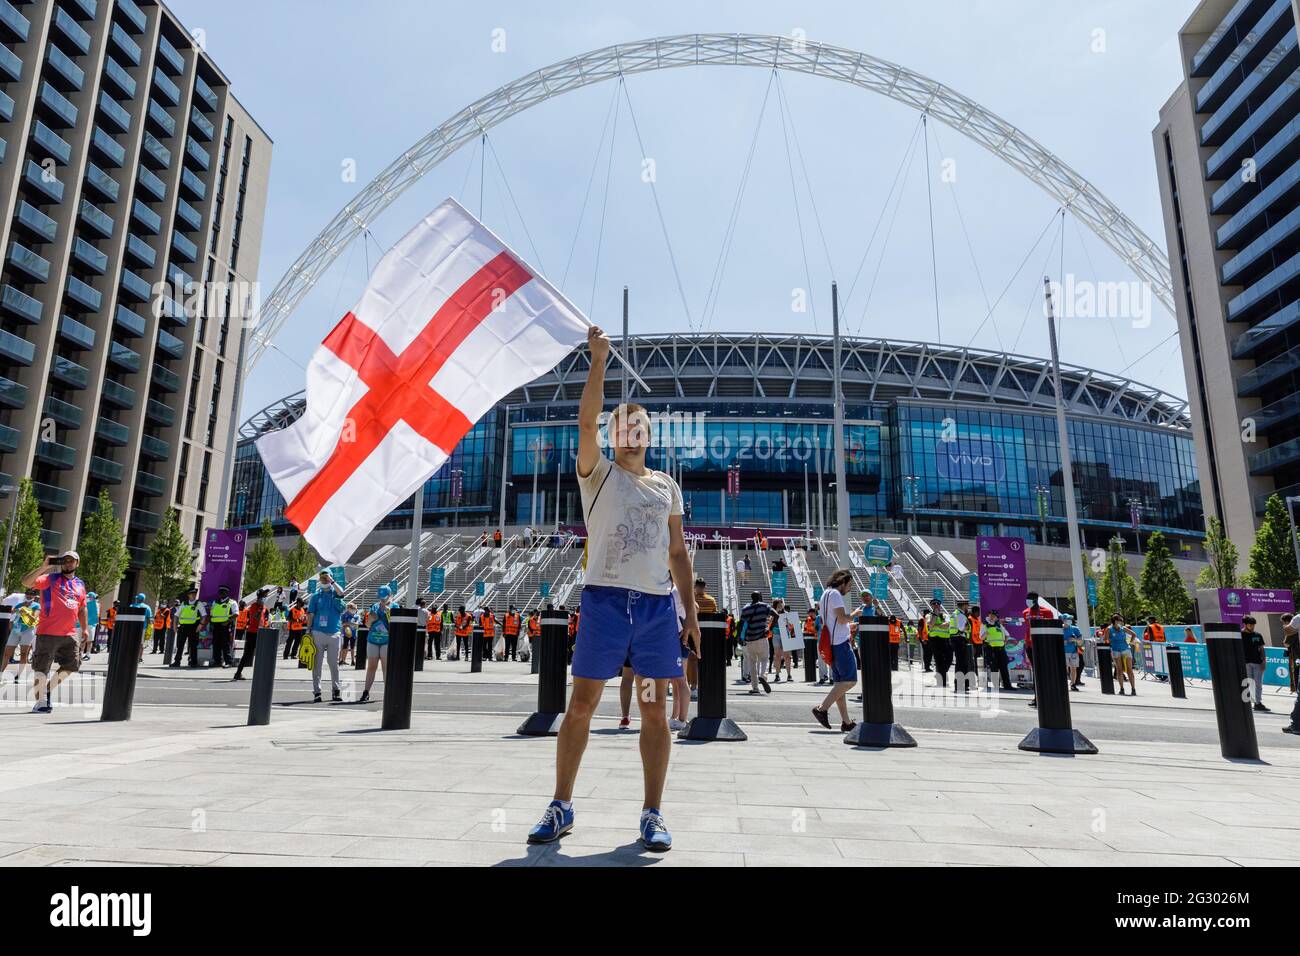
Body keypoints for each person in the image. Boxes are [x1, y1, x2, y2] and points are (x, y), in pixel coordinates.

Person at [527, 326, 698, 853]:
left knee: (653, 708)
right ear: (613, 433)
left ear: (648, 436)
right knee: (581, 704)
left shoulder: (665, 484)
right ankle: (561, 804)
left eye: (640, 426)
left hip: (653, 610)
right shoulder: (595, 473)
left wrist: (689, 611)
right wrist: (598, 359)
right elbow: (585, 419)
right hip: (605, 603)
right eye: (623, 425)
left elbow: (676, 552)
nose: (632, 432)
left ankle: (652, 813)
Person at [22, 550, 88, 713]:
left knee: (72, 665)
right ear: (60, 562)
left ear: (77, 564)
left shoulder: (80, 584)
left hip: (70, 633)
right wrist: (44, 567)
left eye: (72, 560)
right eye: (65, 560)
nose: (68, 563)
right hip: (47, 632)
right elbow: (26, 582)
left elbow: (82, 608)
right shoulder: (49, 579)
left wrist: (85, 628)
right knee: (42, 667)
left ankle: (47, 690)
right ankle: (41, 702)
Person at [811, 569, 860, 733]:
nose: (850, 589)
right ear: (843, 582)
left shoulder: (825, 594)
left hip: (831, 643)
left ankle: (846, 722)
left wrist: (848, 625)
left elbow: (833, 620)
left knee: (840, 684)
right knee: (850, 681)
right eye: (849, 585)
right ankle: (822, 708)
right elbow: (842, 618)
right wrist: (855, 614)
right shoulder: (836, 595)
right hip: (840, 643)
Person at [307, 570, 346, 702]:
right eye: (322, 578)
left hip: (334, 633)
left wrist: (332, 581)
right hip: (318, 632)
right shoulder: (315, 596)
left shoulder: (335, 593)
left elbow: (342, 593)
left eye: (326, 578)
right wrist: (308, 630)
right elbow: (311, 614)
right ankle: (317, 692)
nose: (324, 580)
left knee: (333, 664)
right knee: (317, 664)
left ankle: (336, 691)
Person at [360, 585, 393, 703]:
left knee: (385, 668)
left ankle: (388, 693)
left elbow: (395, 627)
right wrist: (371, 619)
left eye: (384, 597)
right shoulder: (374, 606)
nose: (382, 600)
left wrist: (389, 614)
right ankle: (366, 692)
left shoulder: (394, 607)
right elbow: (368, 625)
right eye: (380, 597)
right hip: (373, 639)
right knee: (371, 666)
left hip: (386, 641)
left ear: (389, 596)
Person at [2, 588, 39, 685]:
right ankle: (1, 673)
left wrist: (27, 613)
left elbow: (34, 619)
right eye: (28, 594)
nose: (29, 596)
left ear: (34, 597)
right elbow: (12, 612)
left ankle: (18, 676)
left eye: (31, 595)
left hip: (28, 631)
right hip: (16, 630)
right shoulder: (21, 604)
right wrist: (19, 608)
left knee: (23, 654)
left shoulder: (36, 605)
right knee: (6, 653)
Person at [739, 591, 773, 695]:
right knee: (764, 659)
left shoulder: (745, 609)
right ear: (760, 597)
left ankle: (755, 687)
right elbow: (776, 615)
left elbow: (741, 624)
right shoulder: (765, 606)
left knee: (752, 663)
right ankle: (763, 675)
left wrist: (740, 637)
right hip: (762, 637)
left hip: (750, 639)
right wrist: (769, 629)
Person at [232, 590, 270, 681]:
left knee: (262, 654)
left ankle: (262, 675)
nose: (266, 597)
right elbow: (254, 619)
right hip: (252, 632)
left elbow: (265, 619)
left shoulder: (265, 607)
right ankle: (238, 673)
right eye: (264, 595)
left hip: (261, 632)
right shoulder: (254, 606)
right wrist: (259, 610)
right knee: (247, 654)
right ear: (260, 597)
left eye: (266, 596)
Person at [690, 577, 716, 699]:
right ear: (705, 587)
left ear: (695, 586)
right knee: (703, 661)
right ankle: (703, 685)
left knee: (692, 661)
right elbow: (714, 615)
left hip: (691, 633)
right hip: (706, 634)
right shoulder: (711, 600)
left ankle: (693, 686)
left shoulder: (690, 599)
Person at [1241, 615, 1269, 712]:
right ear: (1245, 624)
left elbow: (1261, 649)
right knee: (1248, 683)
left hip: (1257, 662)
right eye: (1250, 624)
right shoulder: (1240, 634)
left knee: (1258, 683)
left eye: (1253, 625)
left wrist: (1264, 661)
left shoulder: (1257, 635)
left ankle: (1257, 703)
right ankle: (1247, 702)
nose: (1252, 626)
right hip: (1245, 662)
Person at [207, 586, 239, 667]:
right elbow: (211, 613)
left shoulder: (232, 602)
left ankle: (228, 662)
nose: (221, 594)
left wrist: (227, 621)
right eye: (220, 592)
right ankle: (217, 661)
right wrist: (210, 623)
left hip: (225, 625)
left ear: (226, 593)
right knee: (216, 644)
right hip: (216, 626)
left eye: (223, 592)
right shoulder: (215, 602)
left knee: (225, 644)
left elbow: (236, 614)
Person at [171, 587, 203, 667]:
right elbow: (176, 615)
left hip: (193, 627)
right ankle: (177, 662)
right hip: (183, 627)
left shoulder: (198, 603)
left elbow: (204, 615)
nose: (194, 595)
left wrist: (201, 625)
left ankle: (193, 662)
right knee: (180, 645)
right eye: (192, 594)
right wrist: (174, 627)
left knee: (193, 646)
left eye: (195, 594)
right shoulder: (184, 603)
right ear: (188, 595)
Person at [1107, 614, 1138, 696]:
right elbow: (1106, 639)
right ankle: (1122, 688)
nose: (1122, 622)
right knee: (1119, 670)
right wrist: (1110, 642)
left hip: (1125, 649)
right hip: (1116, 650)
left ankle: (1133, 689)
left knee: (1129, 670)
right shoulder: (1109, 629)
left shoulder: (1123, 628)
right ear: (1115, 621)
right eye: (1120, 620)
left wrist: (1130, 642)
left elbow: (1134, 634)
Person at [983, 609, 1012, 691]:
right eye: (991, 615)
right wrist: (986, 633)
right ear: (988, 615)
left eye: (994, 616)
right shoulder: (985, 625)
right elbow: (981, 637)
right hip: (991, 649)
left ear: (996, 617)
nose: (992, 617)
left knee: (1004, 668)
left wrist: (1004, 642)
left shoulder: (999, 625)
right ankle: (996, 686)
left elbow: (1007, 634)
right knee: (994, 668)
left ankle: (1007, 686)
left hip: (1001, 649)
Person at [926, 599, 952, 688]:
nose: (936, 605)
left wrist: (937, 625)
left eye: (938, 604)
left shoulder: (945, 615)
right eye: (934, 604)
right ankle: (942, 681)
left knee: (949, 658)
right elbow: (930, 624)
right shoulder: (929, 615)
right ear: (932, 606)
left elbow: (947, 624)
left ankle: (940, 673)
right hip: (935, 640)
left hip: (945, 639)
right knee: (939, 660)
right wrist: (935, 615)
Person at [1062, 613, 1083, 690]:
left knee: (1073, 668)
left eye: (1070, 619)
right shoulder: (1060, 629)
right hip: (1063, 652)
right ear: (1063, 620)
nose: (1070, 621)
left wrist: (1075, 640)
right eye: (1068, 619)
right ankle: (1064, 684)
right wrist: (1066, 641)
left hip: (1074, 651)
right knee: (1065, 668)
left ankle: (1073, 684)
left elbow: (1081, 641)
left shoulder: (1075, 628)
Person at [1283, 613, 1298, 694]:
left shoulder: (1292, 632)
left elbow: (1286, 644)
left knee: (1294, 673)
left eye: (1284, 622)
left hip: (1295, 657)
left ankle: (1295, 689)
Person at [82, 592, 99, 661]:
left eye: (91, 597)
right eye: (88, 597)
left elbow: (96, 614)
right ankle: (81, 653)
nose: (89, 598)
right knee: (83, 640)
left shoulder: (97, 605)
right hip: (84, 624)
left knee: (89, 640)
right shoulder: (84, 604)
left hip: (92, 625)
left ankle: (88, 654)